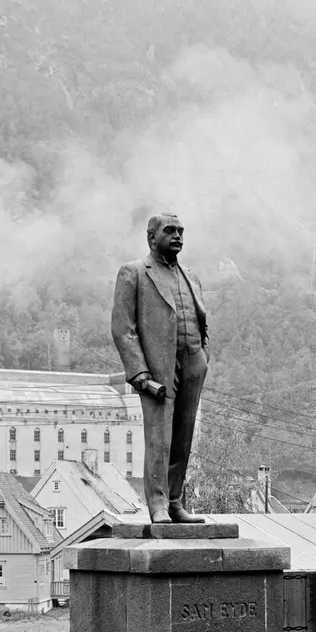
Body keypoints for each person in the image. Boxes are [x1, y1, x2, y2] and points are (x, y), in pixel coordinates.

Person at [110, 212, 209, 524]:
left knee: (183, 436)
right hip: (157, 371)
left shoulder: (191, 277)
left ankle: (176, 501)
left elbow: (199, 319)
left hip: (192, 362)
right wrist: (140, 374)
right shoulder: (134, 273)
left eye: (181, 230)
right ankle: (158, 505)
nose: (178, 236)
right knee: (159, 438)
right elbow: (122, 328)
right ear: (152, 237)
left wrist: (203, 356)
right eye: (170, 231)